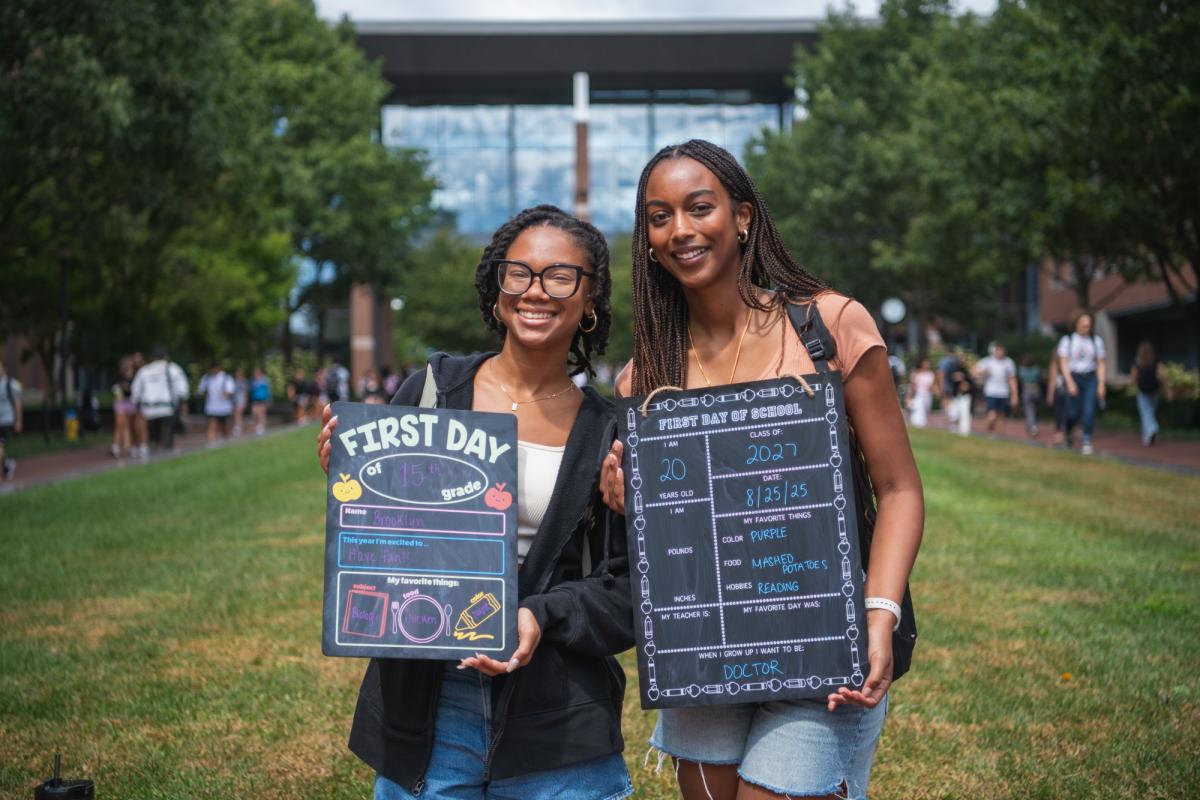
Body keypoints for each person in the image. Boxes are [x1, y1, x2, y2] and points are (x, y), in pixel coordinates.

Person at [598, 140, 923, 800]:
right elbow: (667, 538)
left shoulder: (828, 327)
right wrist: (629, 501)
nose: (680, 230)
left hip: (824, 636)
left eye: (699, 208)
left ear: (742, 217)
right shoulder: (645, 379)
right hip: (707, 648)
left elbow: (899, 489)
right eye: (659, 216)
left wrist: (879, 615)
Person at [315, 205, 634, 800]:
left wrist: (541, 616)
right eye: (520, 274)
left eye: (560, 276)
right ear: (497, 291)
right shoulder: (433, 392)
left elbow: (628, 590)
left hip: (558, 720)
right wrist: (353, 480)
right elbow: (383, 538)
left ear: (590, 301)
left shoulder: (610, 431)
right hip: (428, 710)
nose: (536, 291)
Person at [1056, 311, 1106, 454]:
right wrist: (1070, 382)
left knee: (1089, 410)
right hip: (1074, 377)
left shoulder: (1096, 341)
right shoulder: (1068, 341)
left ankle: (1086, 440)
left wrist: (1101, 383)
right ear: (1076, 324)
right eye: (1083, 325)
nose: (1086, 328)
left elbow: (1101, 363)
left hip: (1090, 378)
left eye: (1088, 325)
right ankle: (1068, 432)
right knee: (1072, 413)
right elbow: (1063, 363)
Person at [131, 346, 189, 455]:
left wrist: (137, 407)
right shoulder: (173, 369)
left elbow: (135, 392)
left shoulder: (144, 371)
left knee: (152, 437)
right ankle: (166, 456)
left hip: (149, 410)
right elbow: (182, 390)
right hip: (167, 409)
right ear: (166, 356)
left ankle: (152, 455)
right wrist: (183, 404)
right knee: (167, 438)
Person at [974, 342, 1017, 434]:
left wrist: (1014, 395)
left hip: (1004, 392)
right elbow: (975, 372)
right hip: (991, 391)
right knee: (992, 414)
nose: (1000, 352)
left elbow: (1012, 379)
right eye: (998, 350)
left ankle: (1000, 437)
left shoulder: (1008, 362)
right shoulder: (987, 361)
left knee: (1001, 416)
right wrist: (983, 373)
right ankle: (988, 431)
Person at [1130, 340, 1166, 447]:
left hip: (1142, 390)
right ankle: (1147, 436)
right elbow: (1162, 376)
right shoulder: (1155, 361)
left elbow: (1133, 377)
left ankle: (1151, 429)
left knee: (1145, 413)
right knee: (1150, 412)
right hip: (1154, 390)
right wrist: (1167, 390)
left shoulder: (1137, 361)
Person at [198, 361, 236, 442]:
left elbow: (231, 391)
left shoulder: (226, 377)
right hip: (211, 406)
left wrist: (225, 395)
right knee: (212, 424)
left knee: (224, 426)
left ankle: (226, 440)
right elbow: (201, 390)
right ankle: (210, 443)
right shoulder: (207, 378)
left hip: (223, 407)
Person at [0, 358, 23, 481]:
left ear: (4, 368)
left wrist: (18, 421)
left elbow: (17, 403)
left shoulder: (12, 384)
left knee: (0, 448)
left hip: (7, 421)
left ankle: (6, 465)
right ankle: (7, 464)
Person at [111, 356, 138, 458]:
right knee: (120, 424)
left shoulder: (135, 378)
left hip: (131, 402)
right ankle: (116, 446)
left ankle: (128, 446)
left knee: (129, 425)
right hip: (121, 402)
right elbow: (115, 390)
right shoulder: (119, 378)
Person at [1017, 354, 1042, 438]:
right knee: (1034, 409)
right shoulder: (1036, 369)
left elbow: (1021, 380)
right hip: (1036, 391)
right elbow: (1040, 379)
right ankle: (1033, 425)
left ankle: (1032, 427)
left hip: (1027, 391)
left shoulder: (1022, 370)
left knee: (1029, 410)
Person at [906, 358, 935, 428]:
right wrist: (909, 396)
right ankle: (918, 425)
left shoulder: (931, 374)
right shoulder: (916, 374)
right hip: (919, 395)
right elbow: (912, 386)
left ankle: (922, 426)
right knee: (919, 411)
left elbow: (933, 385)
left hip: (928, 395)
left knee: (925, 411)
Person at [249, 367, 271, 435]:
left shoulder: (264, 379)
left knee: (261, 413)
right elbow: (251, 390)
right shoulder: (253, 381)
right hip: (255, 399)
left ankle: (262, 427)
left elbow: (268, 390)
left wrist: (268, 399)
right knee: (254, 412)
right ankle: (258, 426)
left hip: (263, 399)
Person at [231, 368, 248, 437]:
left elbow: (246, 392)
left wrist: (246, 401)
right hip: (234, 400)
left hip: (241, 400)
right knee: (236, 414)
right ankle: (238, 427)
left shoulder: (244, 382)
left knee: (237, 413)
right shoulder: (233, 381)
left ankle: (237, 427)